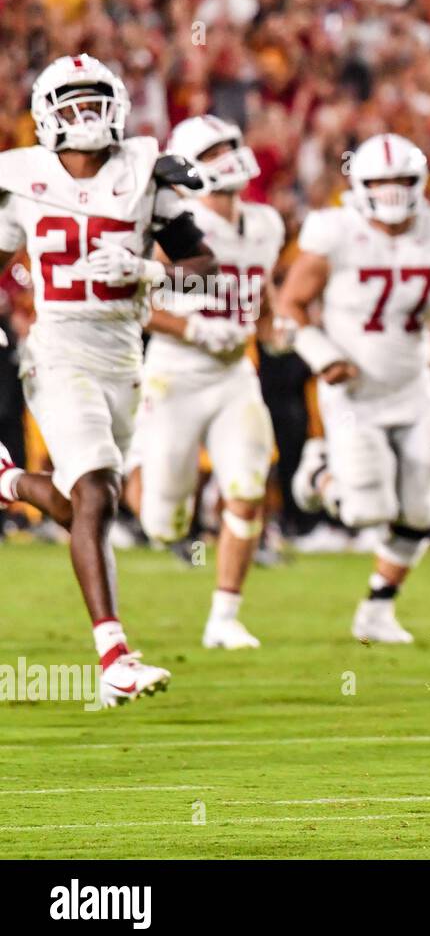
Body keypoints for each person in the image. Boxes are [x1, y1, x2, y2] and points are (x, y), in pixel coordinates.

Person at [0, 54, 217, 705]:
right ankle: (115, 655)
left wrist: (149, 273)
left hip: (125, 357)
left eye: (97, 99)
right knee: (95, 490)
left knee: (92, 505)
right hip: (58, 349)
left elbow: (202, 265)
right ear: (46, 113)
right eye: (72, 101)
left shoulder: (147, 170)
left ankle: (9, 481)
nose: (87, 113)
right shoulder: (22, 178)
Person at [279, 133, 430, 643]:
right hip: (353, 389)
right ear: (358, 185)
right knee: (367, 509)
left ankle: (378, 609)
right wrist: (323, 356)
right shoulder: (333, 230)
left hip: (412, 383)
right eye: (381, 182)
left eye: (403, 180)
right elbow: (289, 305)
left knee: (423, 507)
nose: (392, 191)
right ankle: (317, 473)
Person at [123, 114, 285, 649]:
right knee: (164, 523)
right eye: (215, 151)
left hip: (236, 374)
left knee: (246, 487)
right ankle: (133, 465)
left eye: (232, 146)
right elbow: (134, 302)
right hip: (175, 373)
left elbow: (260, 297)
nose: (230, 157)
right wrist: (194, 327)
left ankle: (225, 617)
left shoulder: (266, 224)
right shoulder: (175, 219)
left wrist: (279, 329)